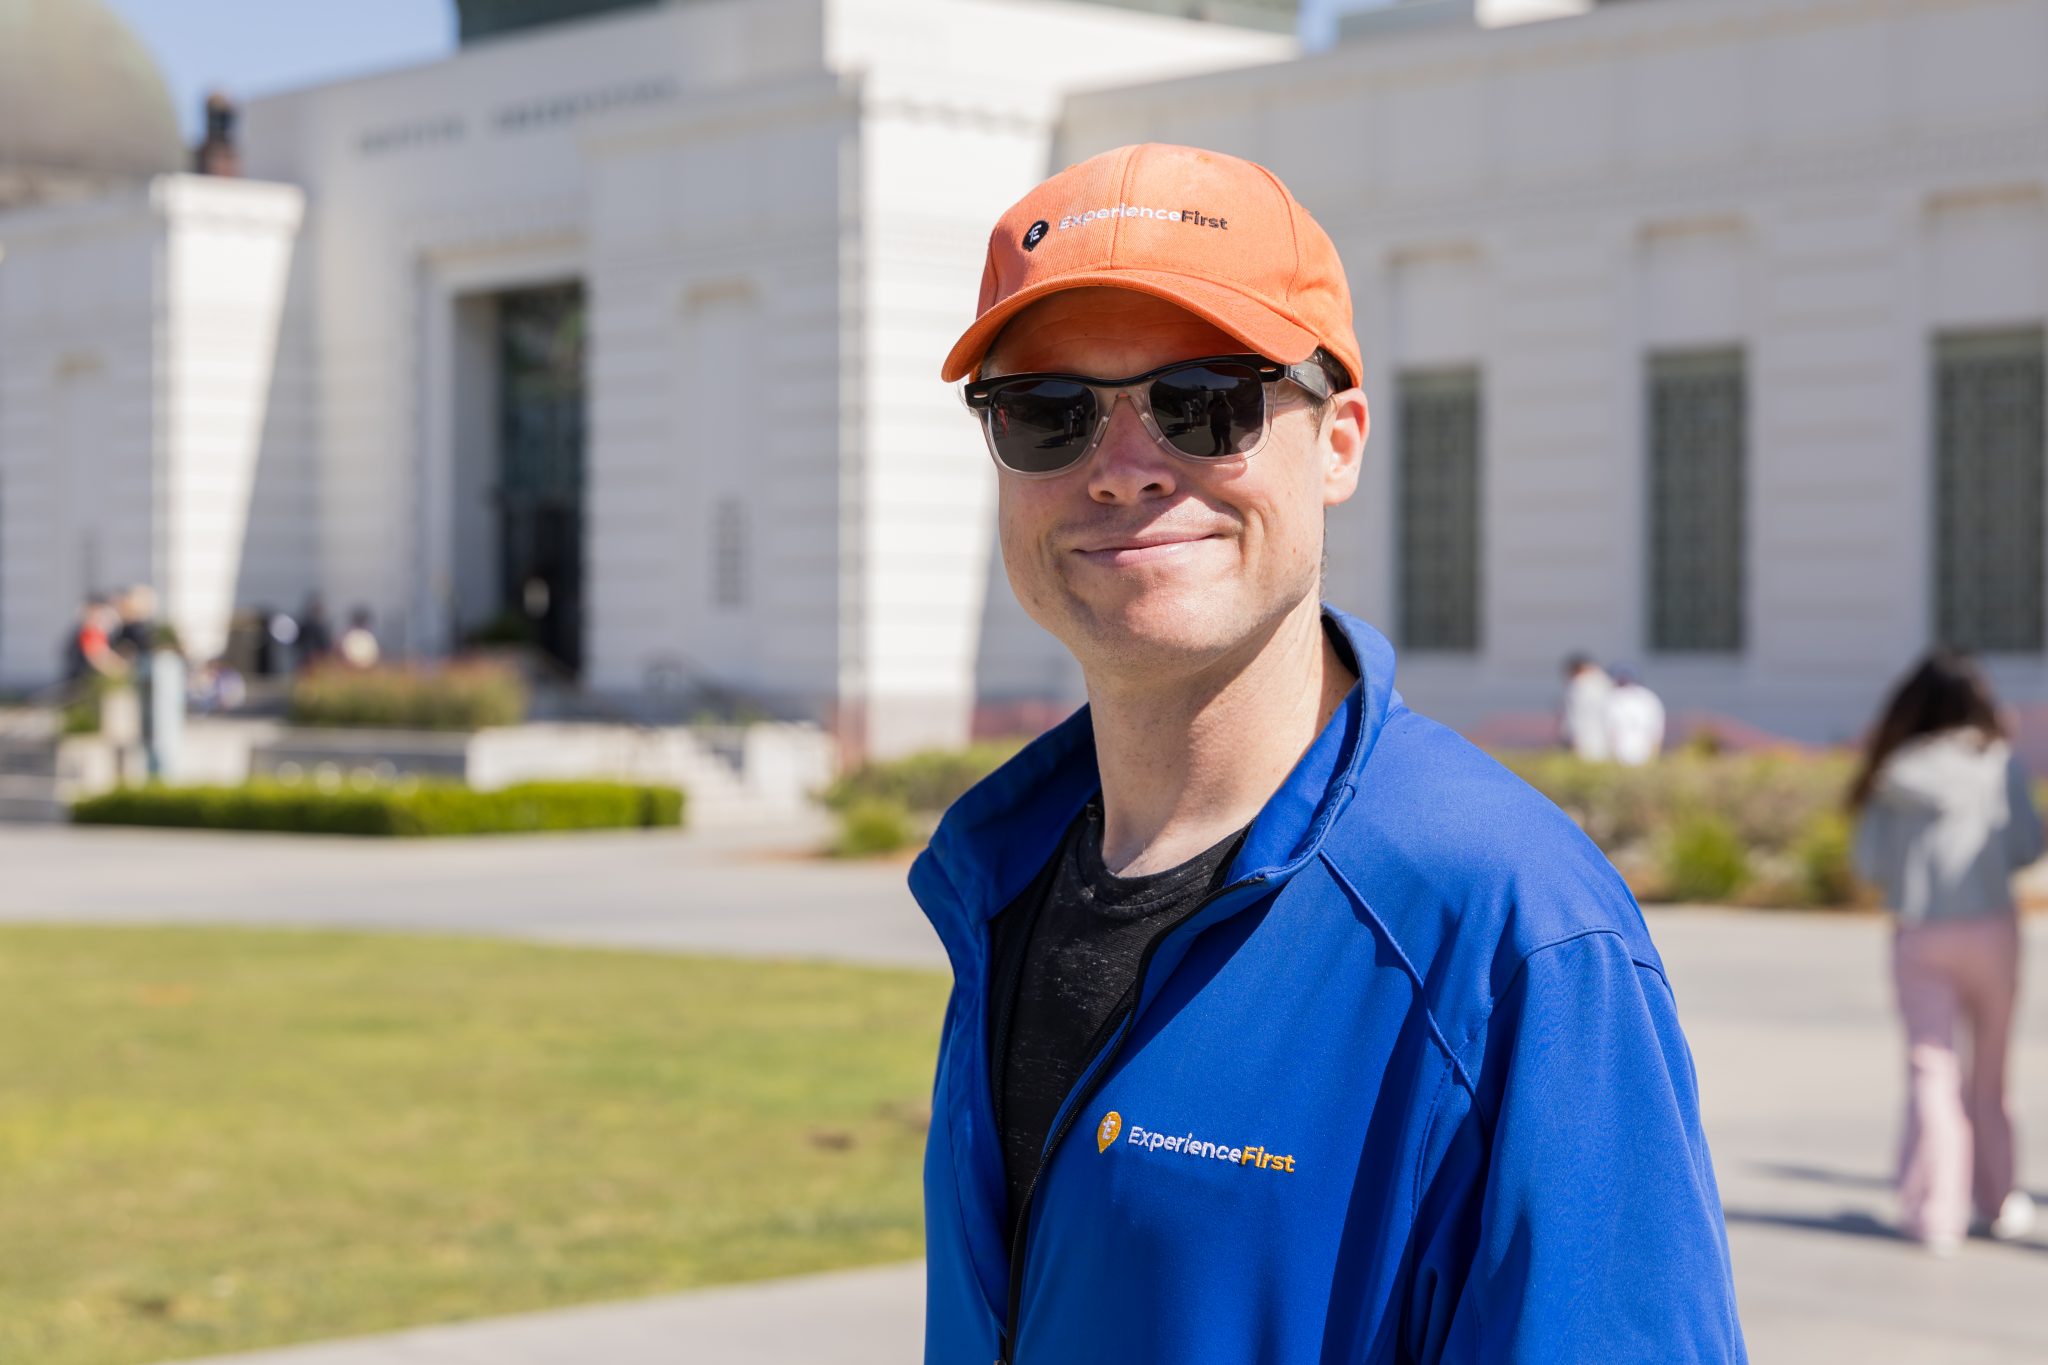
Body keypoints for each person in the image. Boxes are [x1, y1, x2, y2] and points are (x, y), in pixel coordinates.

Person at [913, 144, 1744, 1365]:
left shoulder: (1508, 931)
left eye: (1206, 401)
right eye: (1050, 415)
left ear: (1340, 441)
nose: (1122, 467)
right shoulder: (1002, 872)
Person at [1850, 649, 2042, 1256]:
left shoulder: (1894, 772)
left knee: (1930, 1071)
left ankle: (1936, 1214)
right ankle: (1999, 1199)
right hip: (1993, 931)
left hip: (1922, 932)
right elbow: (2026, 849)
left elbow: (1868, 864)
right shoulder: (1998, 763)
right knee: (1989, 1074)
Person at [1605, 664, 1666, 766]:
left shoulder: (1647, 698)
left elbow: (1655, 730)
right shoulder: (1648, 697)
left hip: (1639, 754)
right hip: (1625, 756)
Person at [1560, 651, 1613, 760]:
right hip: (1605, 739)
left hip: (1583, 737)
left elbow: (1574, 716)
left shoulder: (1577, 686)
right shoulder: (1605, 683)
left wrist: (1571, 737)